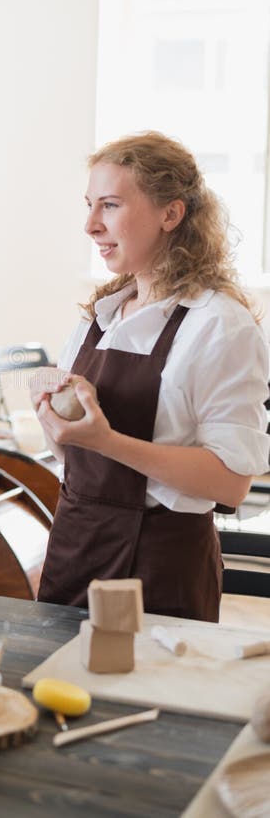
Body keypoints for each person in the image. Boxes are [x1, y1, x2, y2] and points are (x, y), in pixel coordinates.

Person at [31, 131, 269, 621]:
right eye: (90, 205)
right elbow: (75, 453)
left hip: (158, 568)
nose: (91, 225)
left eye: (111, 205)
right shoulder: (100, 316)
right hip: (75, 549)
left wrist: (107, 441)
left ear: (171, 214)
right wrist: (56, 420)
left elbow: (232, 483)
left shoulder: (220, 325)